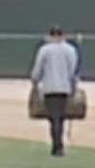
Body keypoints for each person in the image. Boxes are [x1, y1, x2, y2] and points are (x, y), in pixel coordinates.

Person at [28, 26, 81, 157]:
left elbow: (38, 68)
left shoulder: (45, 50)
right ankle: (58, 145)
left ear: (51, 36)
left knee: (54, 118)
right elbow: (73, 70)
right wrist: (74, 86)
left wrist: (34, 81)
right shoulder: (70, 50)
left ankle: (57, 146)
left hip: (50, 88)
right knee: (60, 117)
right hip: (64, 88)